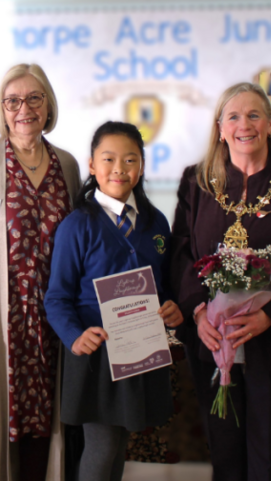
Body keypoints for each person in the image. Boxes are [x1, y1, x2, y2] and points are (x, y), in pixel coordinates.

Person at [170, 82, 271, 481]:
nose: (245, 125)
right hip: (212, 341)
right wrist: (198, 311)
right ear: (220, 128)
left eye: (255, 115)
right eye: (235, 117)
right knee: (226, 457)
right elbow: (180, 252)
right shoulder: (196, 181)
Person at [0, 63, 82, 480]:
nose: (24, 109)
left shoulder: (68, 166)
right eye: (13, 101)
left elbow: (81, 244)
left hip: (53, 324)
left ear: (48, 105)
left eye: (34, 98)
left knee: (47, 429)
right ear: (2, 110)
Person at [44, 121, 184, 481]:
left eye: (130, 160)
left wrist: (169, 306)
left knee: (120, 444)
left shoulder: (156, 224)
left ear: (141, 167)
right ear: (92, 165)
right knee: (102, 447)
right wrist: (75, 336)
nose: (119, 169)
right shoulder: (77, 226)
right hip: (96, 357)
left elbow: (163, 287)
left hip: (140, 349)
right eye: (108, 159)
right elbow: (57, 297)